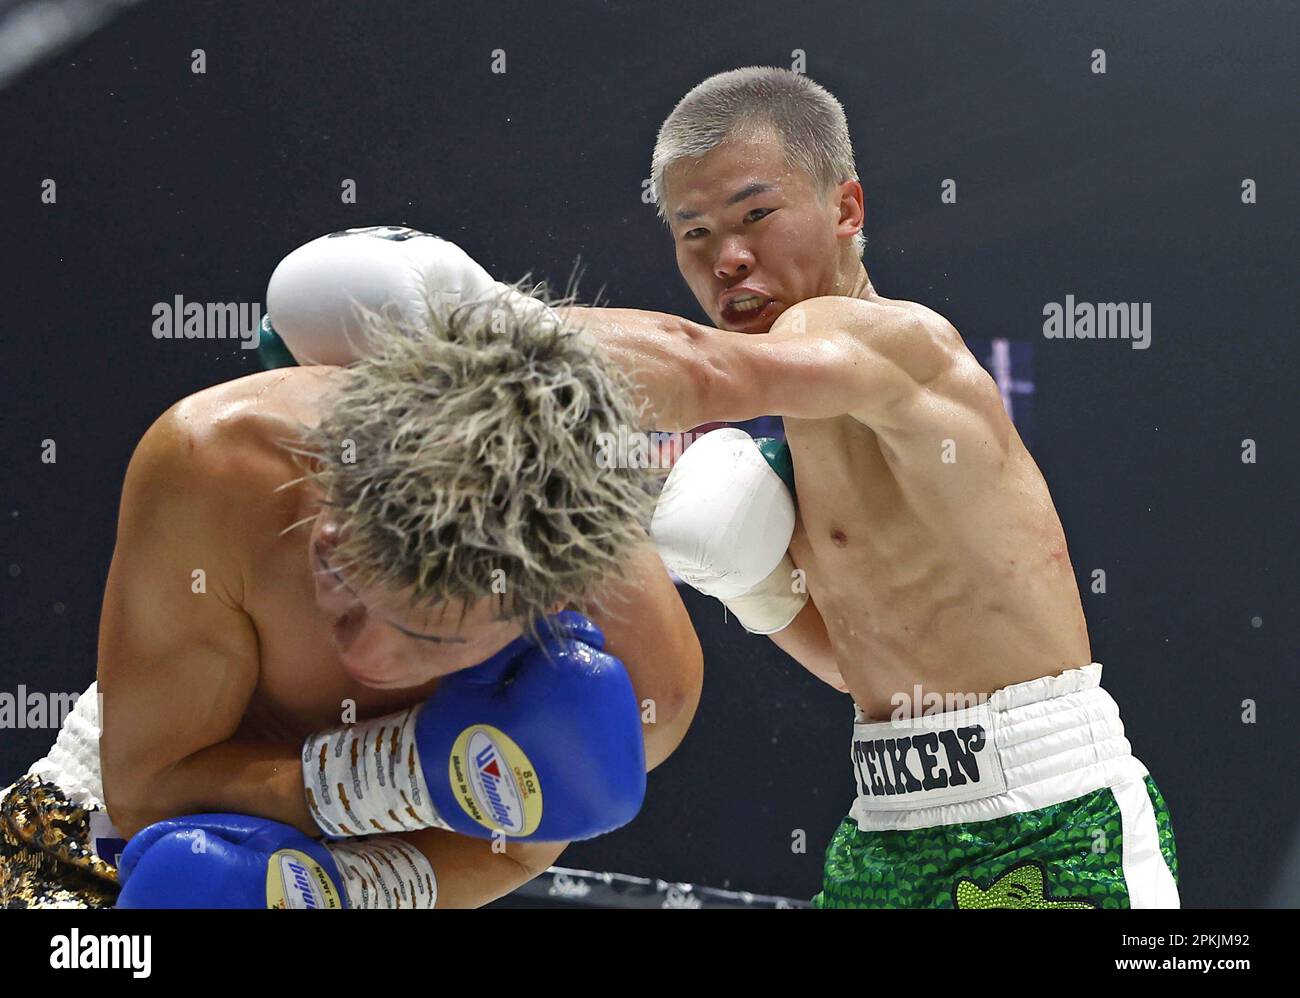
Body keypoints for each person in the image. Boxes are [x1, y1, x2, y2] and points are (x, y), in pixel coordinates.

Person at [0, 282, 702, 908]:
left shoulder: (643, 683)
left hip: (380, 878)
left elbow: (508, 848)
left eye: (427, 638)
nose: (362, 648)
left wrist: (335, 892)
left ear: (548, 610)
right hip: (101, 834)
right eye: (339, 579)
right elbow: (146, 790)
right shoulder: (216, 468)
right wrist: (403, 769)